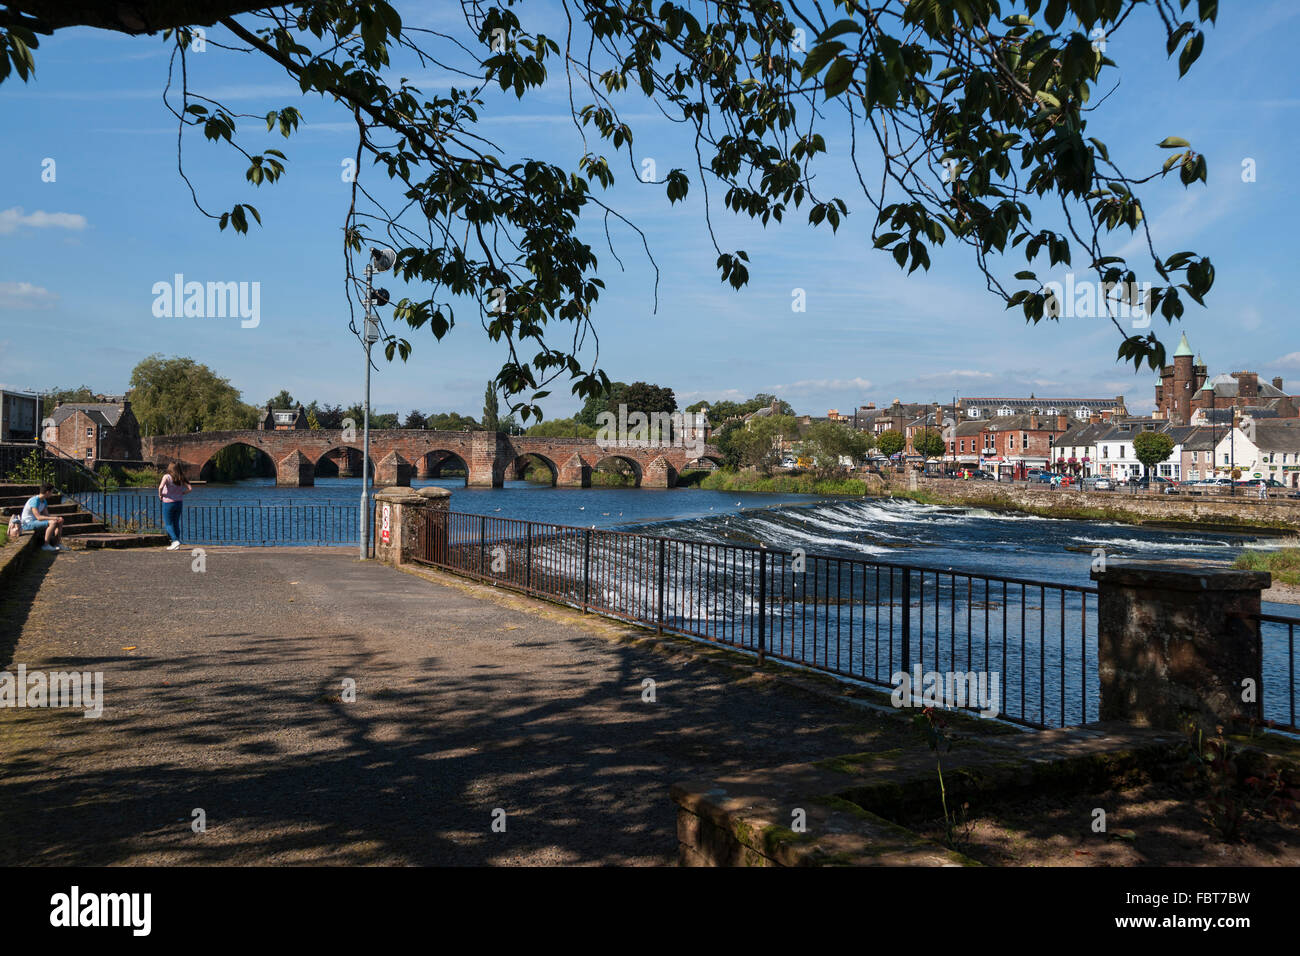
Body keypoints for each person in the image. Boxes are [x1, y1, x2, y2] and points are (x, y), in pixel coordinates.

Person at [158, 463, 193, 551]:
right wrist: (182, 493)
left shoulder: (167, 477)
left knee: (168, 523)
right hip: (179, 503)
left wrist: (160, 495)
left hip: (168, 503)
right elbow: (190, 488)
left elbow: (160, 487)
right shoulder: (181, 477)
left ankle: (175, 540)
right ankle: (176, 544)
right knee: (176, 523)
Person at [21, 484, 64, 551]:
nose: (52, 494)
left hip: (35, 521)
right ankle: (46, 545)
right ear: (47, 492)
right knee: (52, 522)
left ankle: (57, 544)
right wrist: (53, 518)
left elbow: (47, 516)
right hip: (28, 523)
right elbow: (38, 517)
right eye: (52, 492)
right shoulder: (34, 501)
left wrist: (57, 519)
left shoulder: (44, 501)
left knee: (60, 521)